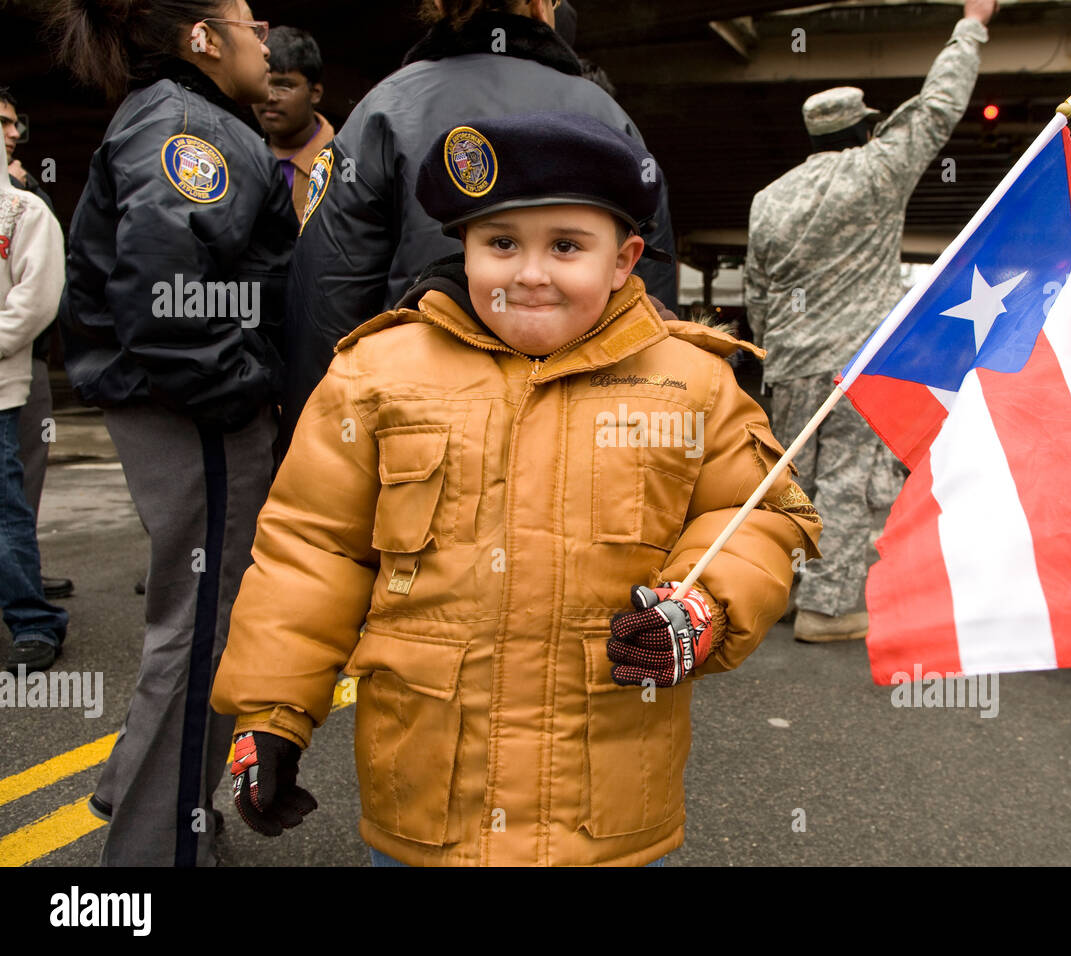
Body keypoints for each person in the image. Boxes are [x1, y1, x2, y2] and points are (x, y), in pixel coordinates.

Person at [211, 112, 822, 867]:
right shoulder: (375, 376)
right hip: (425, 809)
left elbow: (754, 513)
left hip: (610, 816)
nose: (529, 272)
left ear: (625, 258)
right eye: (501, 243)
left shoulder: (692, 383)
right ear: (463, 248)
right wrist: (270, 716)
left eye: (566, 246)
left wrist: (704, 606)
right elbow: (314, 550)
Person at [52, 0, 298, 864]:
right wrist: (246, 391)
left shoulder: (179, 116)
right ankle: (159, 854)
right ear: (203, 36)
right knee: (201, 634)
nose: (263, 34)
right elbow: (166, 298)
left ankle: (138, 793)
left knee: (191, 621)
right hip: (196, 409)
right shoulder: (192, 128)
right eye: (247, 19)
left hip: (178, 401)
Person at [278, 0, 677, 443]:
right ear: (543, 5)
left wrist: (319, 445)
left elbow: (327, 305)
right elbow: (648, 311)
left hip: (415, 437)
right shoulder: (608, 118)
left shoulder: (381, 112)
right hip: (584, 441)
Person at [745, 0, 996, 643]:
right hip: (860, 360)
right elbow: (938, 107)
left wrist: (778, 348)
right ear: (863, 129)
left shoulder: (767, 198)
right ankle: (827, 611)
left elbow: (759, 292)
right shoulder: (880, 168)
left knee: (791, 479)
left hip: (794, 361)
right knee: (851, 481)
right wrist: (972, 24)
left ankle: (775, 590)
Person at [0, 129, 68, 674]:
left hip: (1, 392)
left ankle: (33, 621)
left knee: (5, 510)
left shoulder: (23, 211)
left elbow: (36, 299)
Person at [251, 27, 334, 223]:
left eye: (284, 85)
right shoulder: (242, 157)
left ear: (315, 93)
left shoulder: (345, 161)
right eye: (263, 82)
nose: (270, 97)